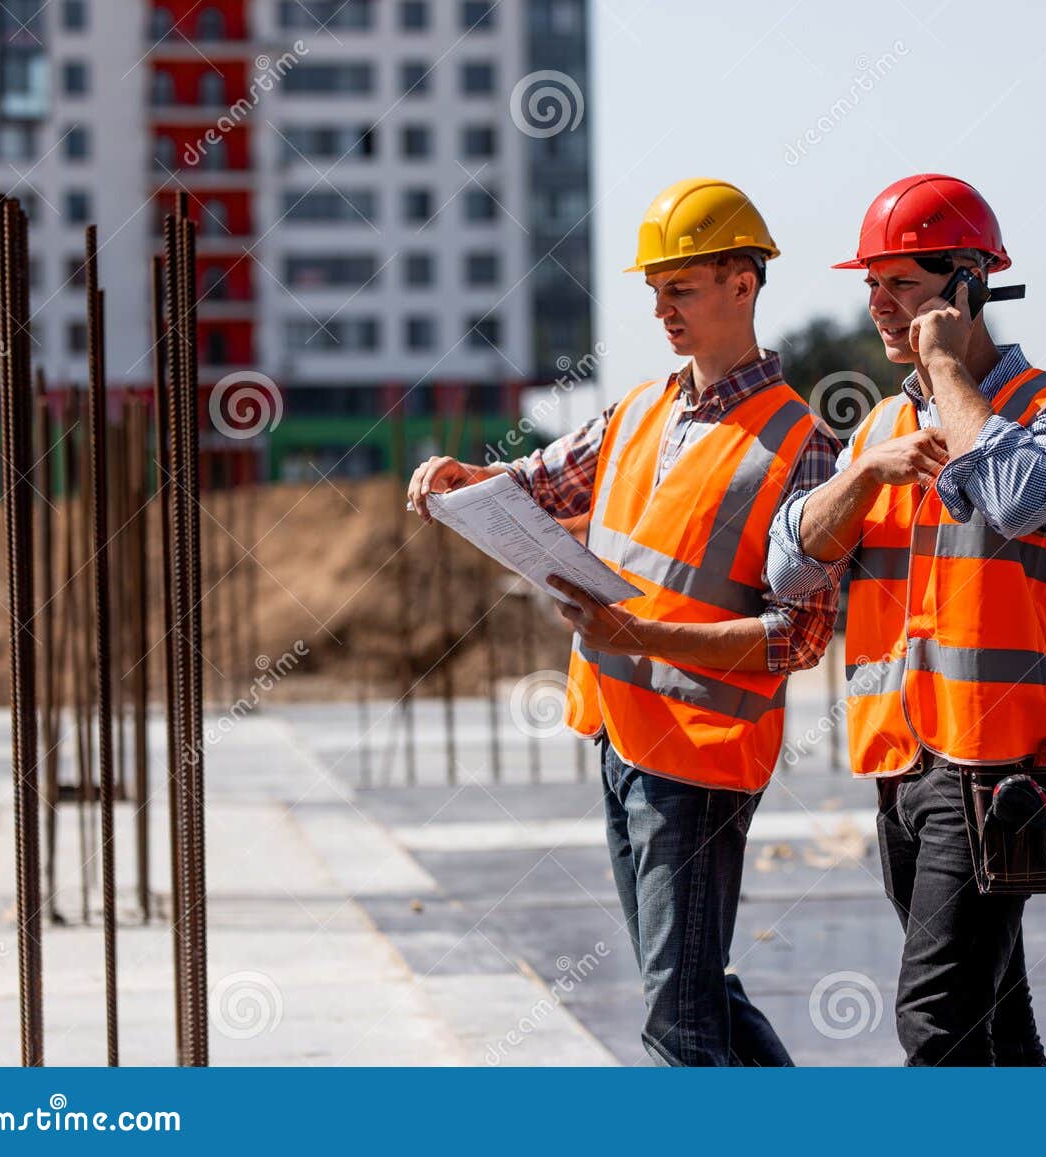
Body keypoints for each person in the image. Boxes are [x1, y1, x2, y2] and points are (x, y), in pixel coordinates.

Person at [407, 178, 839, 1066]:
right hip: (621, 734)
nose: (661, 309)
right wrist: (465, 480)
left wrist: (642, 639)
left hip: (703, 756)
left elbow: (798, 636)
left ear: (742, 284)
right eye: (654, 290)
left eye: (680, 288)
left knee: (676, 1019)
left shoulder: (802, 446)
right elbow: (539, 484)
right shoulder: (641, 410)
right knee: (693, 989)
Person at [766, 173, 1046, 1066]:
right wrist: (863, 474)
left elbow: (1014, 498)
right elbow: (788, 567)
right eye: (872, 285)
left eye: (903, 284)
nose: (880, 306)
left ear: (970, 285)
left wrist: (948, 369)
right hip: (902, 766)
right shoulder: (880, 431)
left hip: (1003, 769)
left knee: (936, 1020)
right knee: (996, 1015)